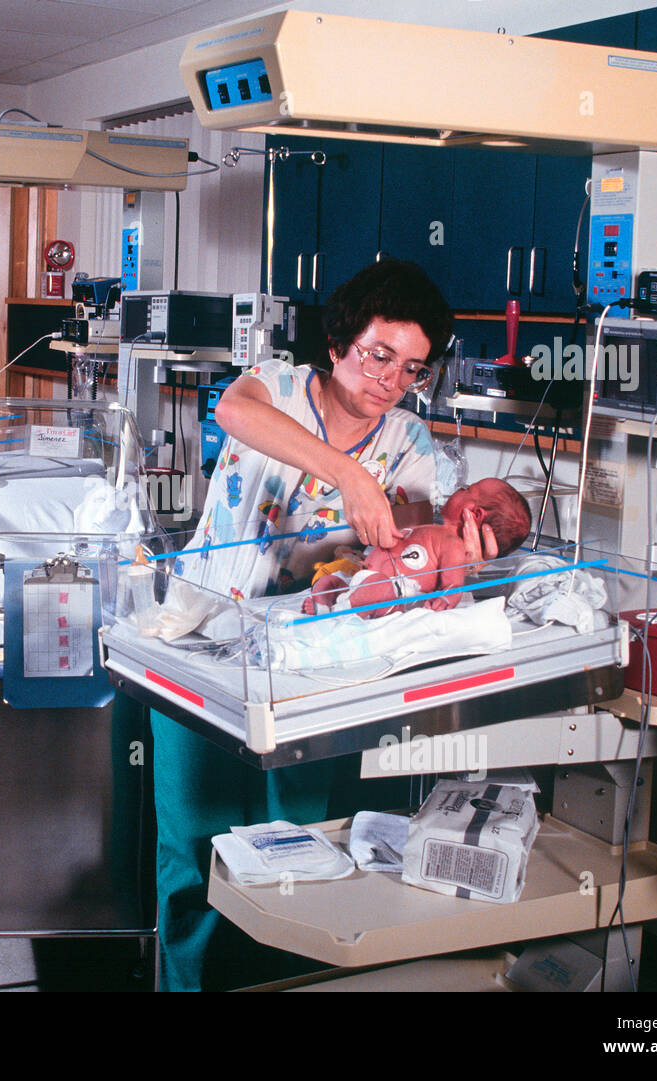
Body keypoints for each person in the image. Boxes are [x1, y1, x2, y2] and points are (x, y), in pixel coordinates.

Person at [152, 259, 497, 991]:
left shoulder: (408, 442)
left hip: (311, 665)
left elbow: (415, 542)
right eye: (379, 355)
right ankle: (185, 983)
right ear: (339, 344)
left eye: (412, 368)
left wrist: (461, 539)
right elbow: (232, 414)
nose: (391, 380)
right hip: (199, 643)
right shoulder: (275, 385)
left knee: (299, 848)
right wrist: (348, 473)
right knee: (192, 842)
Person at [307, 477, 532, 615]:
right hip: (363, 578)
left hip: (394, 591)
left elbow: (452, 583)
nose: (458, 489)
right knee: (330, 581)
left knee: (378, 588)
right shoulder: (431, 529)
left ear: (474, 513)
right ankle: (324, 605)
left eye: (466, 489)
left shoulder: (451, 545)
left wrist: (446, 598)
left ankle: (341, 613)